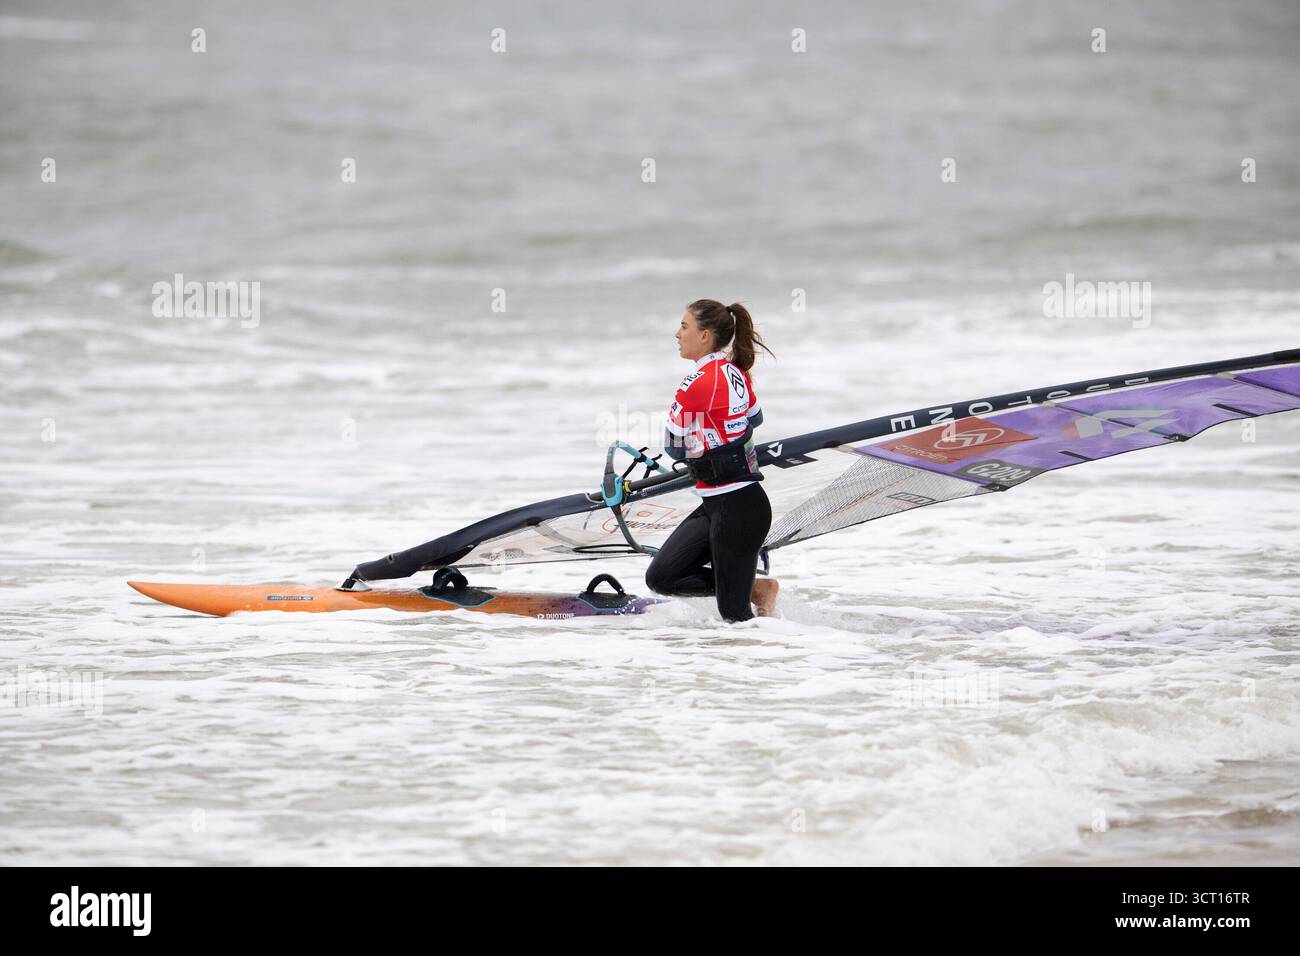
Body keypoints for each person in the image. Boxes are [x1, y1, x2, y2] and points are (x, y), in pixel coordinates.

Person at [645, 299, 779, 621]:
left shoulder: (696, 383)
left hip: (737, 507)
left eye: (684, 326)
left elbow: (673, 448)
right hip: (719, 505)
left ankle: (754, 608)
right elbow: (755, 419)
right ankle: (754, 589)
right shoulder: (737, 373)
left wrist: (702, 445)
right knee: (662, 577)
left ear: (704, 335)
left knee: (734, 618)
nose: (677, 334)